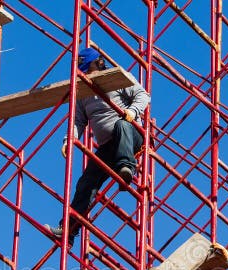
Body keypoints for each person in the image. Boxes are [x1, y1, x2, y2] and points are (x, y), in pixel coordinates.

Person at [47, 47, 150, 246]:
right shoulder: (84, 91)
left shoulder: (117, 78)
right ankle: (69, 229)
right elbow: (78, 121)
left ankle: (127, 168)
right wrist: (69, 140)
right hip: (108, 147)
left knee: (121, 124)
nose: (87, 73)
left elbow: (143, 95)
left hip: (130, 135)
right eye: (83, 70)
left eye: (89, 68)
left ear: (99, 62)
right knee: (86, 182)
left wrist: (132, 112)